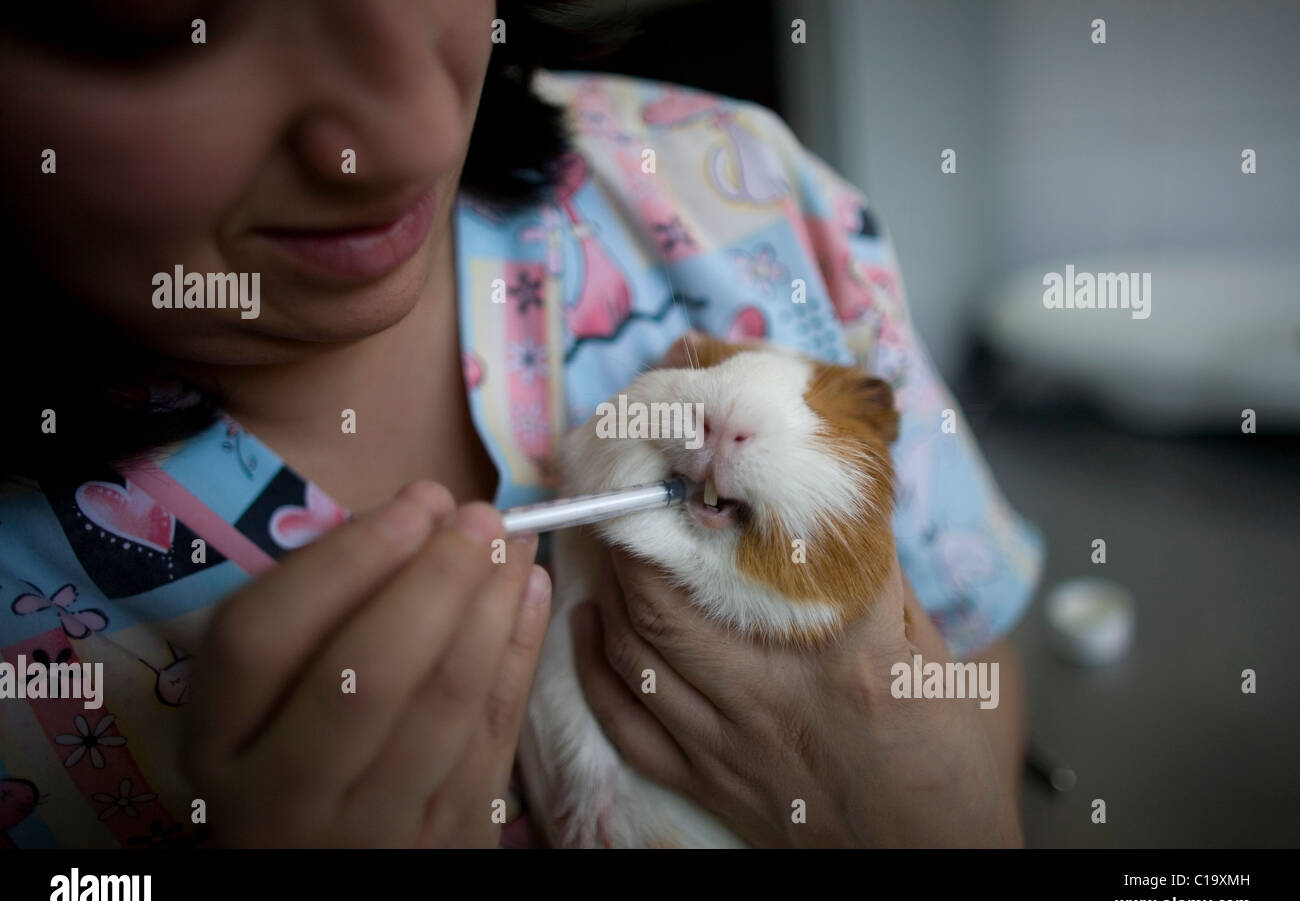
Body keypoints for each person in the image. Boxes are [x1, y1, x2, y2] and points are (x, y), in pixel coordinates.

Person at [0, 1, 1041, 848]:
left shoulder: (736, 190)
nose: (409, 130)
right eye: (158, 14)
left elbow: (965, 663)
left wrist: (935, 819)